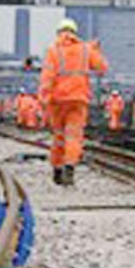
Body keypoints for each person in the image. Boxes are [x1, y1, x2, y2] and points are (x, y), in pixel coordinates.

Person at [39, 18, 108, 186]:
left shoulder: (53, 51)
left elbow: (47, 77)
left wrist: (44, 99)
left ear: (59, 33)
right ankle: (69, 167)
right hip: (78, 99)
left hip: (58, 101)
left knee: (59, 137)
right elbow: (102, 68)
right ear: (74, 33)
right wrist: (96, 50)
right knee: (74, 136)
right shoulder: (85, 49)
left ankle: (57, 169)